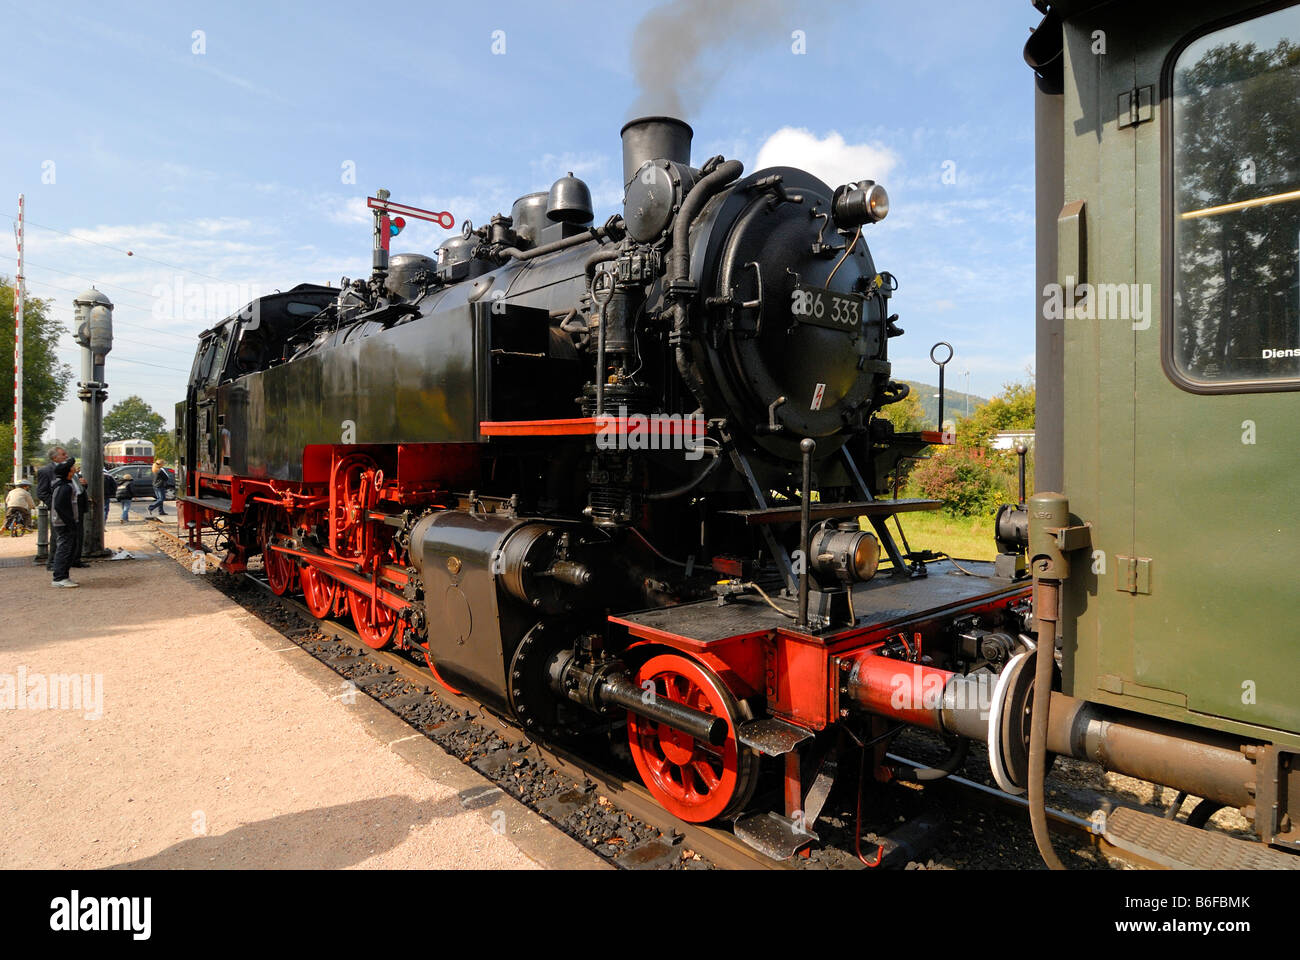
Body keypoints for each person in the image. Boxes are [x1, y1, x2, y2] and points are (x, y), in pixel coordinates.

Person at [36, 446, 68, 570]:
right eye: (63, 454)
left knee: (68, 536)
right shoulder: (46, 471)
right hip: (58, 509)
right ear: (55, 457)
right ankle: (52, 562)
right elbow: (42, 492)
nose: (66, 456)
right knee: (57, 536)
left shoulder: (68, 469)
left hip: (70, 508)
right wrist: (55, 505)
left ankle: (66, 560)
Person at [50, 458, 81, 587]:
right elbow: (60, 506)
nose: (74, 468)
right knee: (64, 549)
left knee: (67, 548)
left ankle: (63, 576)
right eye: (71, 467)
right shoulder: (64, 487)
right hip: (64, 523)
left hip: (63, 522)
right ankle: (59, 578)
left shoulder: (63, 484)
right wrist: (71, 523)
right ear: (68, 472)